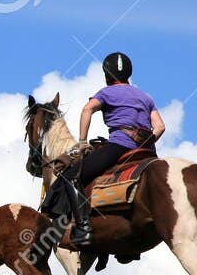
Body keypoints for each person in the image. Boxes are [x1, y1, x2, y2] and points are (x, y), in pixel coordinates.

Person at [44, 52, 165, 248]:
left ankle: (83, 227)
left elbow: (87, 109)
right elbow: (160, 127)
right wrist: (145, 144)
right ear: (129, 73)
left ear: (107, 75)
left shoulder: (106, 93)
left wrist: (82, 142)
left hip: (119, 146)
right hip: (147, 153)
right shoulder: (145, 97)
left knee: (71, 176)